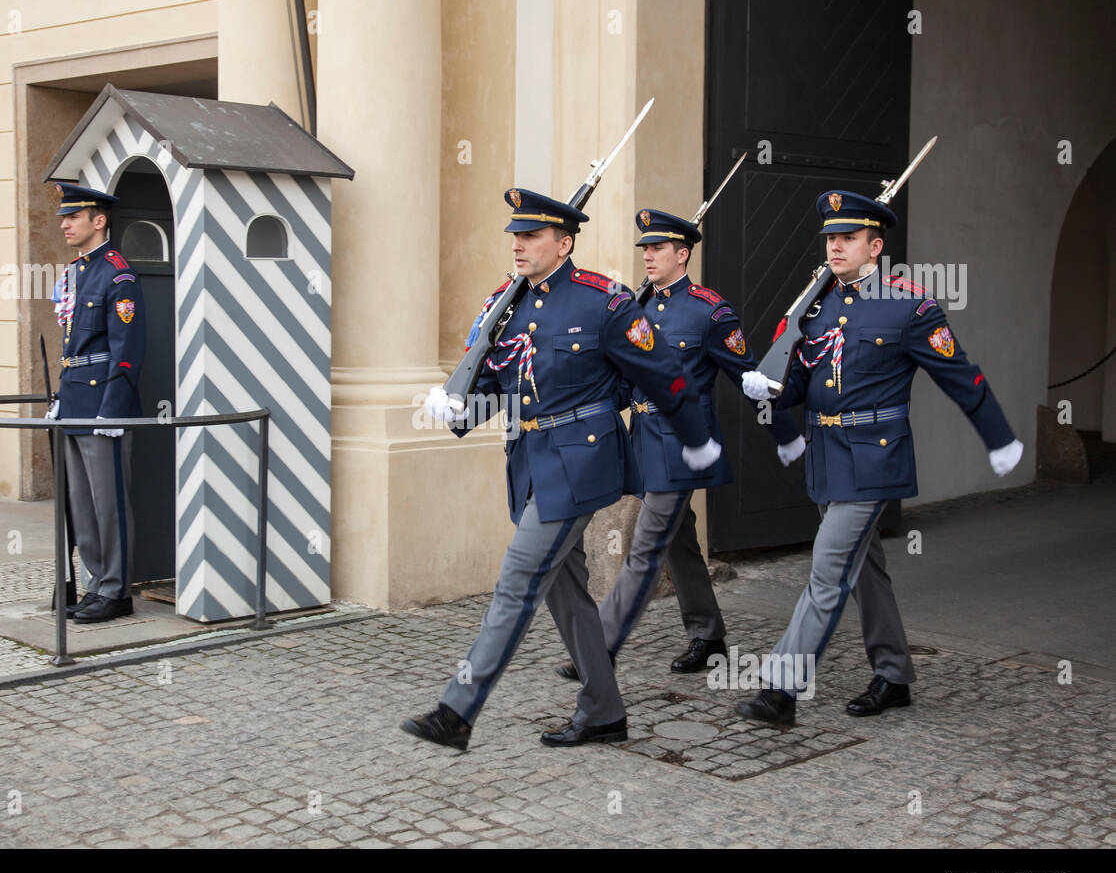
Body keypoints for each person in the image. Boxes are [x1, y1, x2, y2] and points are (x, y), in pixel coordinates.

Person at [401, 188, 721, 751]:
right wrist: (457, 409)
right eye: (516, 236)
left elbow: (663, 371)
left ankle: (457, 710)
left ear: (564, 242)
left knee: (518, 579)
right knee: (565, 591)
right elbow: (502, 383)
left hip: (580, 462)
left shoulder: (605, 302)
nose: (518, 244)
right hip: (528, 462)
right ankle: (603, 710)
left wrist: (692, 436)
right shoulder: (507, 303)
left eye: (531, 236)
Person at [736, 190, 1022, 726]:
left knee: (827, 570)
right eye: (831, 238)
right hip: (828, 457)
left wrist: (999, 436)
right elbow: (796, 385)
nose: (836, 246)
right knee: (864, 570)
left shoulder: (908, 306)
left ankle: (779, 690)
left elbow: (960, 375)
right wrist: (768, 389)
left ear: (876, 245)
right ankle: (893, 674)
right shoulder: (814, 307)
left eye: (848, 238)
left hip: (873, 459)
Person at [555, 208, 802, 683]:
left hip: (683, 447)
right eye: (644, 248)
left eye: (658, 248)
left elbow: (748, 379)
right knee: (679, 540)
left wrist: (786, 435)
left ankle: (598, 647)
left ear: (682, 255)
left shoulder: (710, 312)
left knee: (646, 547)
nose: (647, 255)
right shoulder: (636, 307)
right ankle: (708, 635)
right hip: (643, 442)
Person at [47, 182, 146, 624]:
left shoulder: (117, 274)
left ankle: (116, 590)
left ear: (98, 220)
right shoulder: (74, 273)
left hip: (103, 400)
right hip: (74, 399)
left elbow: (128, 349)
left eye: (73, 216)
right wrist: (60, 400)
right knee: (83, 503)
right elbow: (71, 343)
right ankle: (95, 584)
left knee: (109, 503)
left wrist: (112, 409)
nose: (65, 224)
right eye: (64, 218)